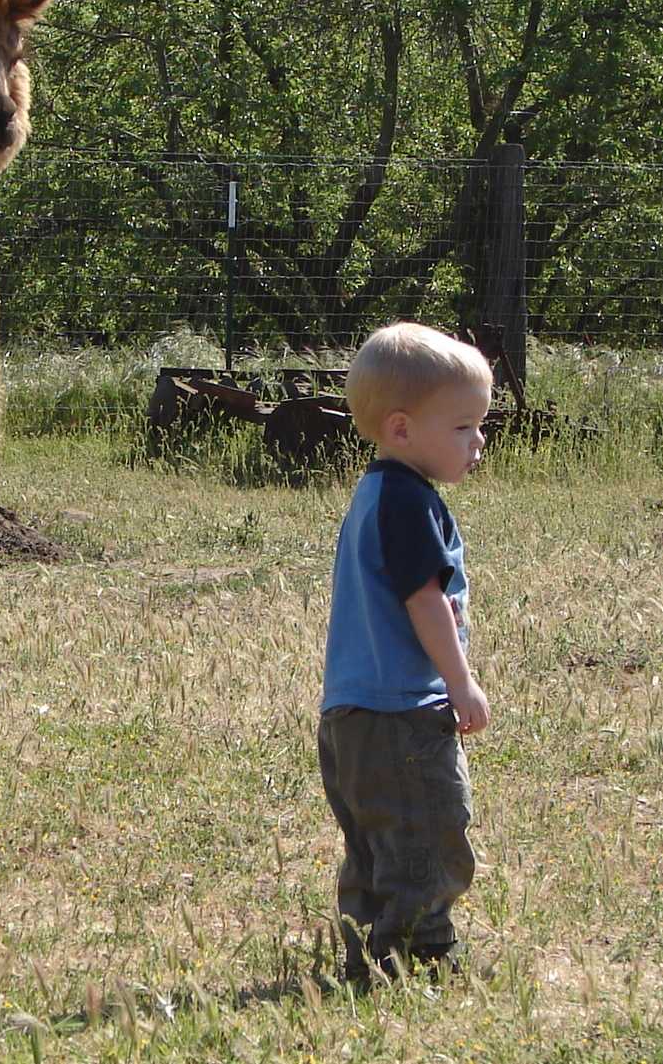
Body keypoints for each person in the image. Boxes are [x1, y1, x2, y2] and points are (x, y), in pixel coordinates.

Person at [319, 321, 493, 985]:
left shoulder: (375, 494)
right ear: (400, 429)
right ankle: (420, 957)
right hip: (400, 713)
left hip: (352, 716)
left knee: (375, 844)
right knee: (426, 831)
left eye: (479, 424)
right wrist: (460, 681)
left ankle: (369, 951)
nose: (477, 440)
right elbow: (425, 602)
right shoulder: (407, 502)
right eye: (461, 427)